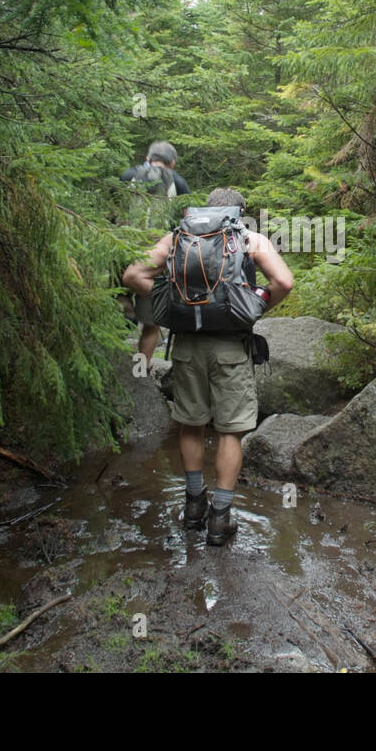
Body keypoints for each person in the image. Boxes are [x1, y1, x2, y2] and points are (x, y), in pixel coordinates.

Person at [121, 188, 293, 546]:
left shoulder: (177, 237)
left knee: (190, 424)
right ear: (239, 211)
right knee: (231, 431)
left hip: (186, 346)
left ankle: (194, 507)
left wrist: (170, 308)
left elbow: (133, 276)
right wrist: (254, 306)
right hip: (231, 346)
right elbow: (284, 282)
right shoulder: (247, 237)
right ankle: (220, 518)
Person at [118, 141, 192, 364]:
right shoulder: (178, 182)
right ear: (172, 162)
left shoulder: (127, 175)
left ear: (148, 158)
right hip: (156, 256)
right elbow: (187, 220)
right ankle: (141, 371)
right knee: (151, 325)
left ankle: (125, 310)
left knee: (118, 296)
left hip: (122, 248)